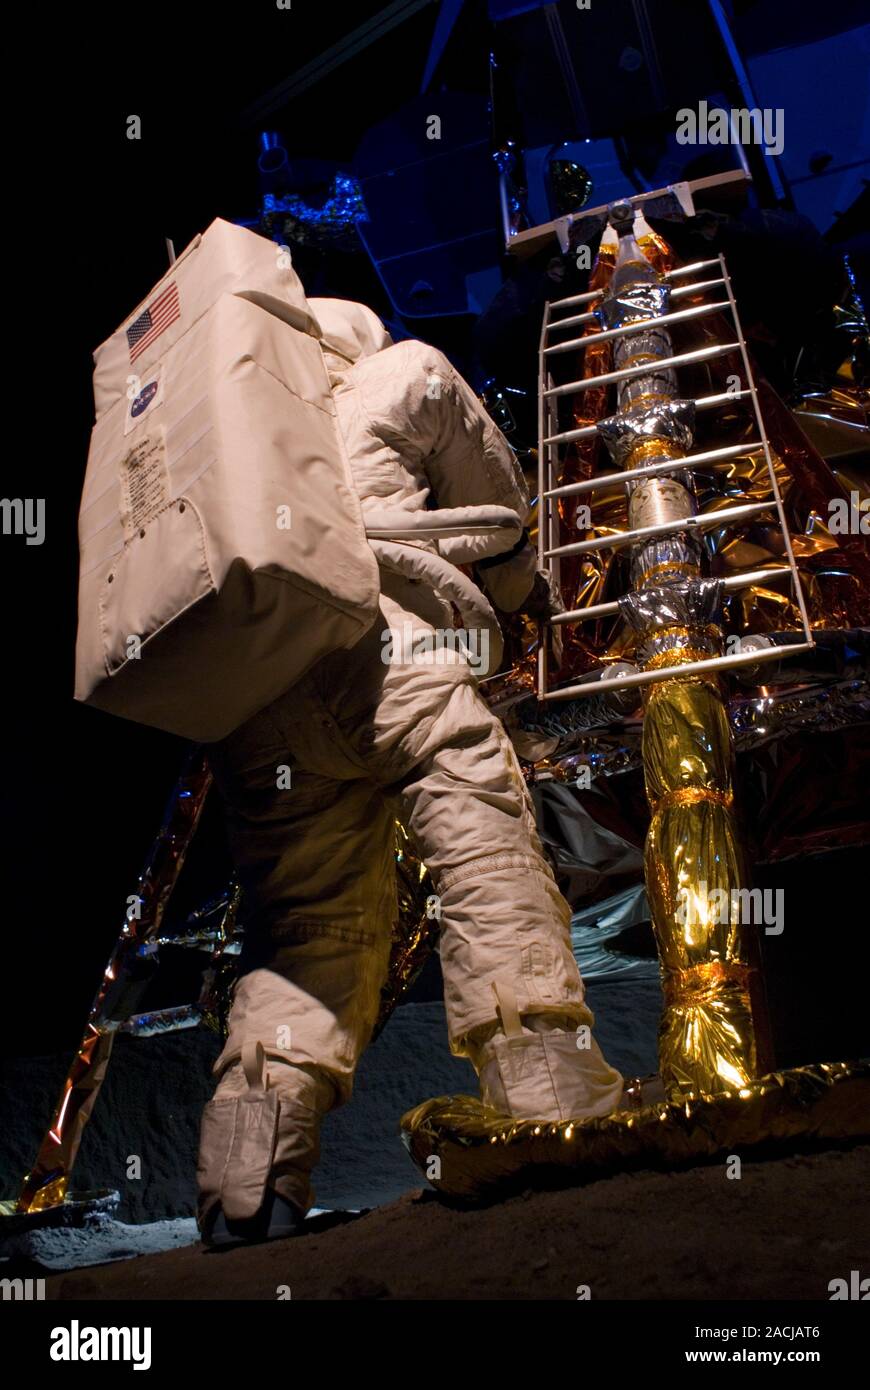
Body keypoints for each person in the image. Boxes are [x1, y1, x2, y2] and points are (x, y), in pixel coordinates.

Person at [196, 295, 627, 1249]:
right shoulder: (398, 373)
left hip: (255, 701)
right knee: (482, 849)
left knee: (303, 928)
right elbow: (504, 514)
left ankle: (247, 1180)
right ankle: (547, 1096)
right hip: (384, 654)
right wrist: (517, 599)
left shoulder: (223, 440)